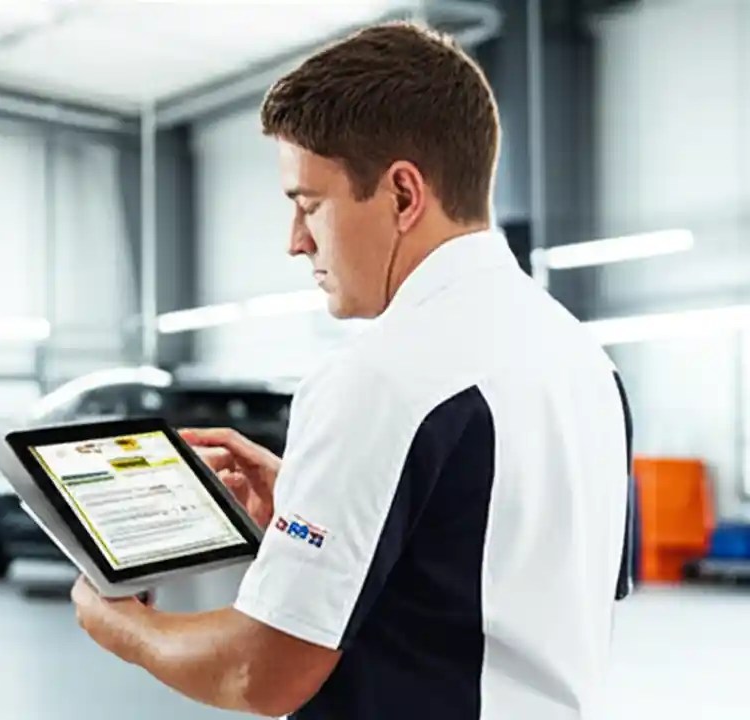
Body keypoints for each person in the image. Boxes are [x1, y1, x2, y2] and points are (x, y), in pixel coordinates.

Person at [70, 20, 633, 720]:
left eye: (309, 204)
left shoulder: (381, 376)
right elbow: (504, 584)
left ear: (403, 195)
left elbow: (261, 673)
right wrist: (326, 510)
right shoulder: (584, 359)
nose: (295, 241)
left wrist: (124, 626)